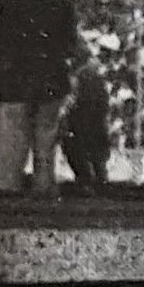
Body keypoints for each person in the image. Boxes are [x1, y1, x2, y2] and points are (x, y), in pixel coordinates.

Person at [0, 0, 80, 196]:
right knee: (46, 139)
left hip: (13, 84)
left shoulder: (9, 8)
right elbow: (71, 46)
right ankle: (44, 188)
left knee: (12, 140)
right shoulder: (63, 7)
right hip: (51, 83)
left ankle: (7, 189)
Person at [59, 56, 113, 194]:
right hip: (89, 125)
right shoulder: (92, 79)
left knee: (81, 149)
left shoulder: (81, 78)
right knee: (94, 156)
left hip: (86, 125)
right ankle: (95, 179)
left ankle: (88, 179)